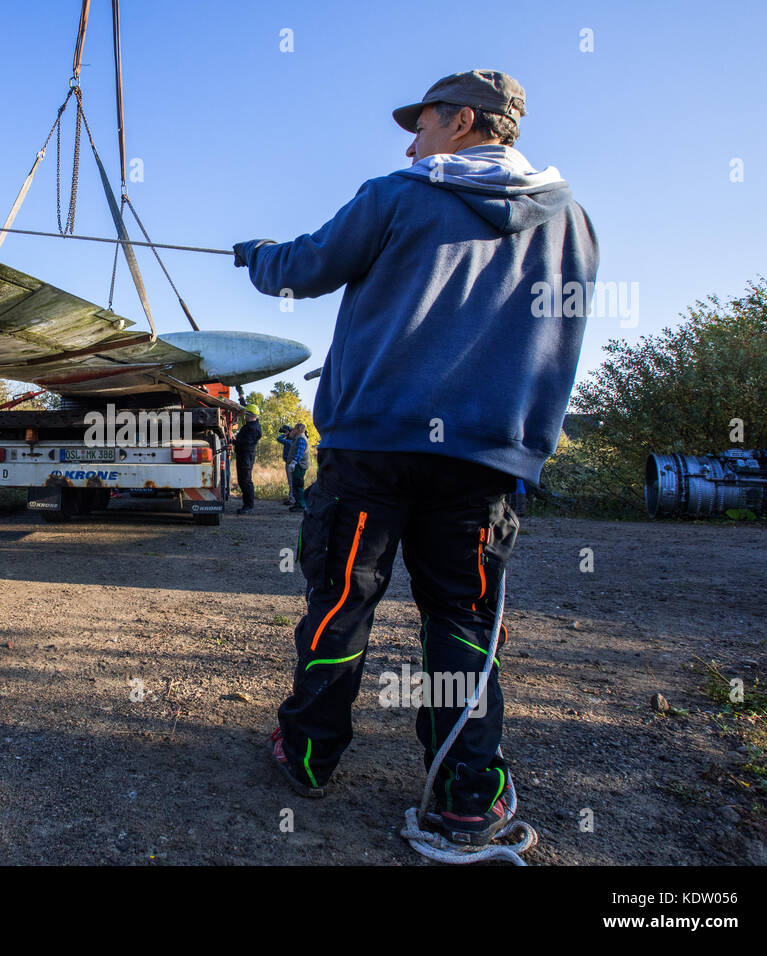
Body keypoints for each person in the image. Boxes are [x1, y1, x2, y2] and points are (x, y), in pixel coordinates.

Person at [235, 70, 597, 845]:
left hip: (373, 445)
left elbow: (302, 267)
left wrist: (257, 253)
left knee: (340, 603)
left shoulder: (396, 194)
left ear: (463, 119)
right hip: (484, 460)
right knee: (463, 620)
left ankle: (307, 754)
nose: (411, 140)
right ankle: (467, 791)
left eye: (423, 123)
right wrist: (524, 445)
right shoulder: (573, 222)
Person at [232, 404, 262, 514]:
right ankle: (247, 505)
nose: (245, 417)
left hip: (246, 456)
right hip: (244, 455)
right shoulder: (251, 426)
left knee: (246, 481)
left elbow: (246, 442)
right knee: (242, 480)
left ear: (250, 415)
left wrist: (235, 441)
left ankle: (249, 506)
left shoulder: (252, 428)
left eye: (246, 415)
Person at [286, 423, 309, 512]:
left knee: (298, 485)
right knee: (295, 485)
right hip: (298, 465)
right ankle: (297, 503)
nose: (293, 430)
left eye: (294, 429)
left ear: (299, 429)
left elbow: (300, 453)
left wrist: (294, 462)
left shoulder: (301, 439)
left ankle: (301, 505)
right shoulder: (298, 438)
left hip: (299, 466)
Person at [276, 424, 297, 505]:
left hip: (289, 463)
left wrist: (285, 434)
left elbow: (278, 438)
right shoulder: (292, 441)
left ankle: (292, 499)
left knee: (291, 481)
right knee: (292, 481)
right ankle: (292, 498)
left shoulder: (289, 442)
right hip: (290, 462)